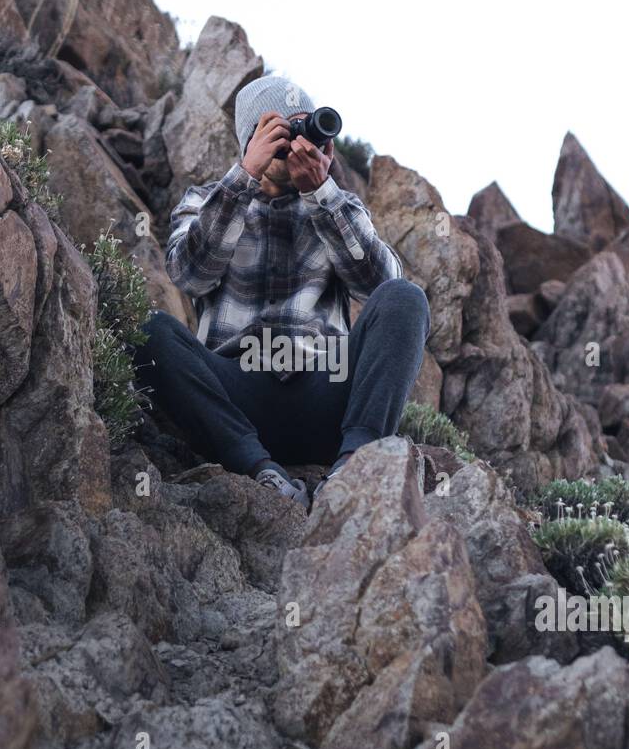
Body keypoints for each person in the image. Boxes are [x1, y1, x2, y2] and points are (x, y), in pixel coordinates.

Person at [137, 74, 431, 508]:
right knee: (149, 331)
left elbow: (382, 286)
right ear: (251, 139)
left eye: (303, 129)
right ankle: (260, 470)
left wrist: (322, 194)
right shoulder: (206, 200)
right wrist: (244, 178)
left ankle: (353, 466)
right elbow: (188, 274)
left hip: (323, 386)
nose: (297, 144)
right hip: (237, 394)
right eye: (281, 132)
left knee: (407, 298)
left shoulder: (336, 205)